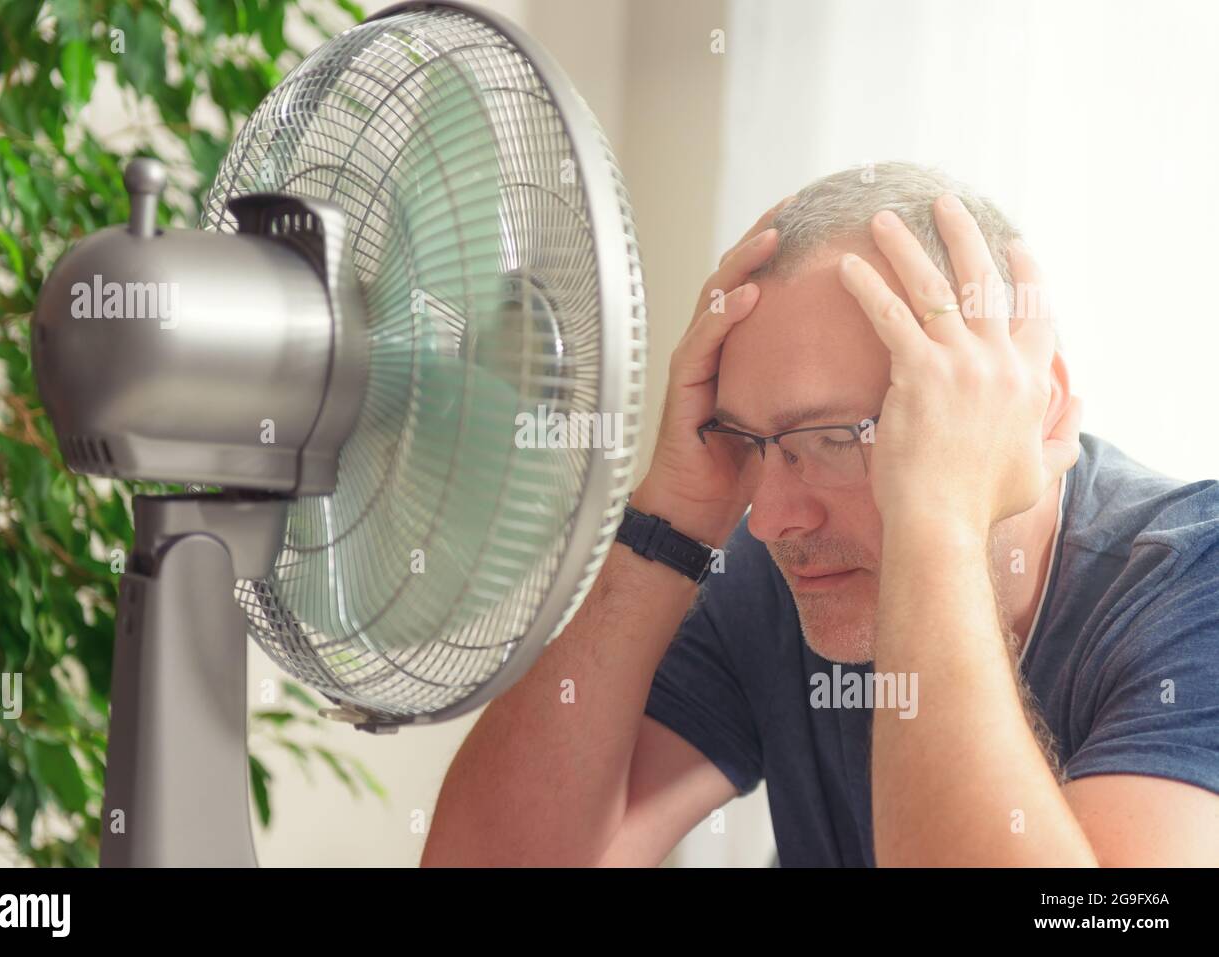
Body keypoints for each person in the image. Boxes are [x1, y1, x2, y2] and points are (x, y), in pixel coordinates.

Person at [421, 161, 1219, 866]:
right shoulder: (777, 580)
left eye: (836, 439)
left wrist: (934, 520)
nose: (769, 519)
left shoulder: (1192, 587)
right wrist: (673, 515)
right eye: (747, 442)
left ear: (1035, 409)